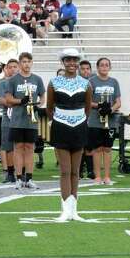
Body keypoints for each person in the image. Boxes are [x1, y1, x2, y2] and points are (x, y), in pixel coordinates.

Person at [47, 49, 93, 221]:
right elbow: (49, 107)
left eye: (75, 60)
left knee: (76, 172)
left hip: (79, 127)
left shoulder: (86, 83)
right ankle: (65, 210)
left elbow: (87, 108)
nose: (72, 63)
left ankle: (74, 210)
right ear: (63, 62)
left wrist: (78, 119)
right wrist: (61, 119)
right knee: (65, 171)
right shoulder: (54, 82)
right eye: (68, 60)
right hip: (61, 128)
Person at [3, 52, 46, 190]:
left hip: (31, 120)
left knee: (30, 148)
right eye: (24, 61)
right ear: (20, 63)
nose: (27, 64)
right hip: (17, 119)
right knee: (18, 148)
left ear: (32, 63)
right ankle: (19, 178)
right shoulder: (13, 79)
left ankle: (29, 178)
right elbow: (8, 99)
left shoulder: (37, 79)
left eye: (29, 61)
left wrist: (39, 104)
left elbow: (43, 95)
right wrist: (21, 101)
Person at [86, 58, 121, 186]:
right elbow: (87, 101)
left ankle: (106, 176)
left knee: (107, 149)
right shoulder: (91, 82)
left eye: (107, 65)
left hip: (110, 120)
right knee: (96, 149)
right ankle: (97, 177)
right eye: (102, 65)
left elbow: (118, 102)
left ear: (110, 67)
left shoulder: (114, 82)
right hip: (95, 120)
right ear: (97, 67)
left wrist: (111, 109)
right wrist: (99, 106)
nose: (104, 67)